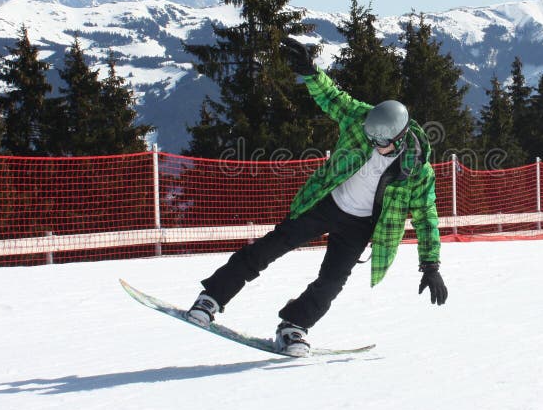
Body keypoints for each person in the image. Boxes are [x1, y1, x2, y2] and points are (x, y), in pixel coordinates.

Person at [187, 37, 447, 356]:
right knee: (269, 247)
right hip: (325, 202)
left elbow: (426, 218)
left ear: (402, 136)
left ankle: (294, 327)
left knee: (331, 283)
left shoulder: (418, 171)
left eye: (383, 142)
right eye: (371, 138)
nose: (376, 144)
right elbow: (334, 98)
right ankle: (211, 298)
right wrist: (311, 71)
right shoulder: (360, 119)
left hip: (360, 227)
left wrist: (430, 264)